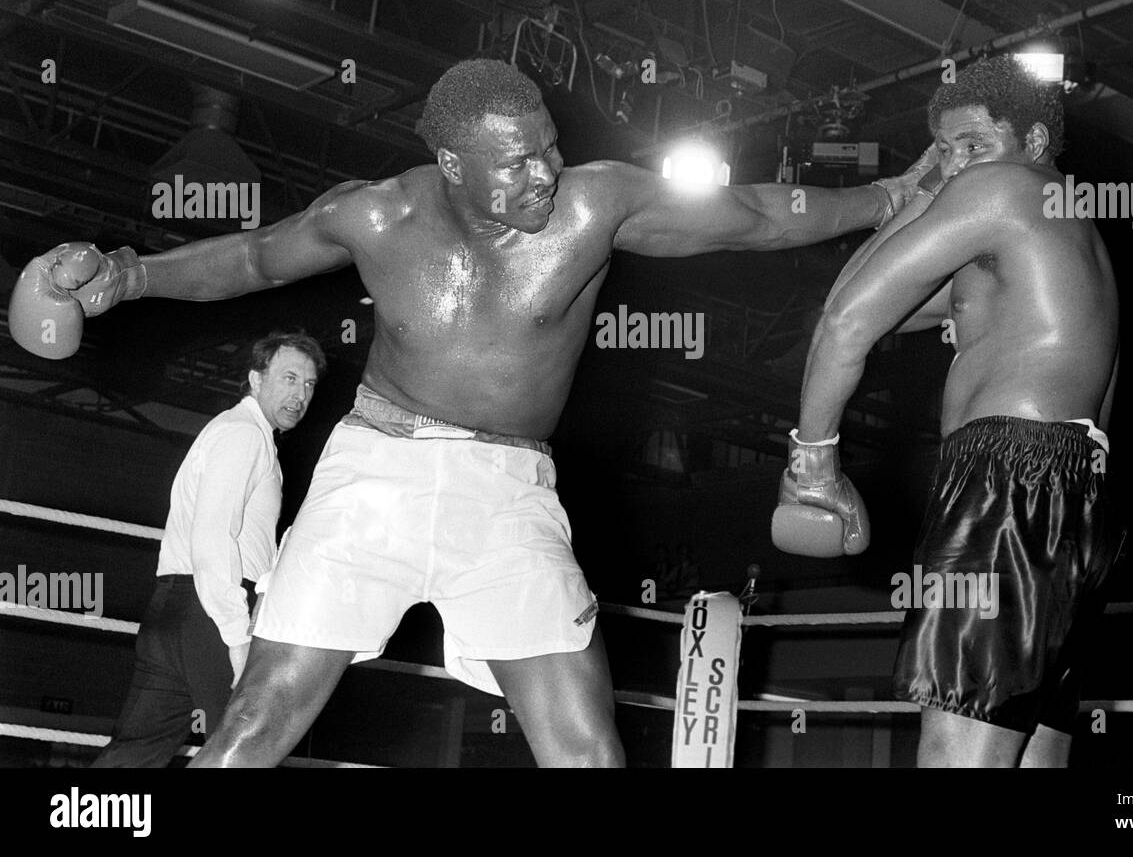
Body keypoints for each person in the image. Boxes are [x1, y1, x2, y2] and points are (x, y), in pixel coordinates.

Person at [9, 58, 936, 767]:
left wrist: (890, 195)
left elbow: (756, 212)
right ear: (449, 163)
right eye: (514, 162)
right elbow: (254, 259)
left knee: (586, 751)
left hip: (508, 494)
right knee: (258, 721)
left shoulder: (596, 205)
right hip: (375, 473)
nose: (543, 174)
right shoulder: (375, 216)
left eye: (549, 148)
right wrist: (127, 276)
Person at [772, 55, 1120, 767]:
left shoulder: (1002, 191)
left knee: (958, 751)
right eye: (948, 149)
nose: (960, 165)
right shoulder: (1055, 231)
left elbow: (844, 323)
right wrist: (923, 189)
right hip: (1077, 499)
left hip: (1011, 481)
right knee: (1031, 756)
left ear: (1031, 143)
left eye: (974, 145)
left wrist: (815, 458)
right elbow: (863, 299)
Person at [91, 329, 325, 767]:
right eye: (289, 378)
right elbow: (213, 536)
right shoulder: (244, 435)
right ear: (256, 380)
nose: (300, 393)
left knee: (134, 755)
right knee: (243, 752)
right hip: (211, 614)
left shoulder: (238, 433)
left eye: (309, 384)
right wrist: (236, 635)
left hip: (174, 611)